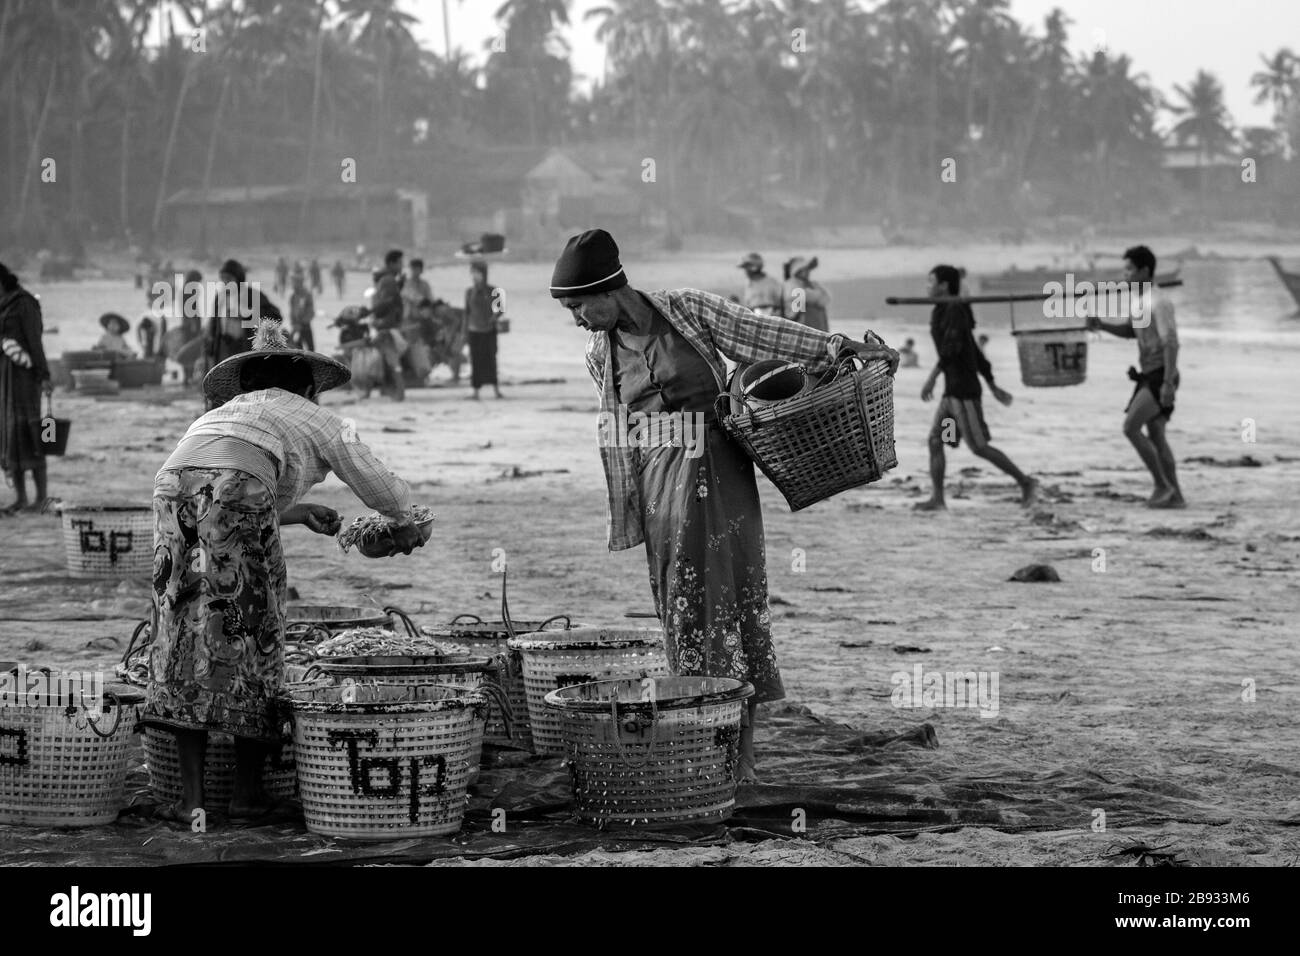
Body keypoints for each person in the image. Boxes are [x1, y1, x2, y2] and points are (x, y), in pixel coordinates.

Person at [551, 229, 898, 782]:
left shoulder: (687, 309)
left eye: (577, 306)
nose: (575, 319)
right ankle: (703, 742)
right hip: (661, 485)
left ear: (608, 288)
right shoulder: (600, 354)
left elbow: (766, 336)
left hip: (719, 470)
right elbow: (621, 431)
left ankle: (743, 759)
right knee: (683, 607)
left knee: (734, 604)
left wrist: (838, 348)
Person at [144, 318, 426, 824]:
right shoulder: (314, 417)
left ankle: (191, 799)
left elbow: (210, 491)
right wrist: (408, 521)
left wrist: (294, 513)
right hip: (236, 492)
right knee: (253, 632)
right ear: (306, 388)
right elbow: (372, 479)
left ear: (248, 386)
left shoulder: (220, 414)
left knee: (183, 630)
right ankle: (246, 796)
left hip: (171, 491)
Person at [918, 264, 1037, 511]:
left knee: (979, 446)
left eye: (931, 282)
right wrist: (992, 383)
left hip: (964, 394)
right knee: (937, 439)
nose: (927, 286)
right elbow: (974, 351)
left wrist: (931, 378)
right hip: (951, 394)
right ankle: (938, 498)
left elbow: (953, 350)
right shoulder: (943, 310)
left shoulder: (955, 312)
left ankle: (1026, 482)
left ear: (943, 286)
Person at [1087, 245, 1184, 508]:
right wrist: (1102, 325)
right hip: (1150, 373)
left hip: (1161, 374)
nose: (1125, 275)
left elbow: (1171, 343)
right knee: (1156, 434)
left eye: (1129, 269)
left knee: (1131, 427)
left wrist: (1167, 383)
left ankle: (1162, 485)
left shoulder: (1158, 302)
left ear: (1144, 271)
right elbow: (1133, 332)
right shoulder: (1139, 301)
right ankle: (1175, 496)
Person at [0, 262, 52, 515]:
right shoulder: (5, 304)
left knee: (30, 434)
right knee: (9, 437)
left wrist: (44, 375)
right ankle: (20, 497)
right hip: (5, 381)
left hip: (25, 379)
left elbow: (34, 340)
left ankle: (41, 497)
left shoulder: (24, 304)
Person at [205, 259, 282, 409]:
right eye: (223, 279)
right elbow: (214, 324)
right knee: (221, 392)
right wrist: (210, 344)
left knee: (245, 391)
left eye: (229, 279)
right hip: (223, 351)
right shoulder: (220, 297)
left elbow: (275, 316)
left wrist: (251, 316)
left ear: (238, 279)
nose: (226, 283)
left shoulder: (252, 296)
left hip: (245, 350)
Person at [370, 249, 407, 401]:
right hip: (387, 325)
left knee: (388, 358)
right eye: (400, 263)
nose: (402, 266)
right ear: (392, 263)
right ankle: (399, 393)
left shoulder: (387, 279)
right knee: (393, 359)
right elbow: (386, 303)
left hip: (383, 324)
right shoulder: (389, 280)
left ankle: (388, 390)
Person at [464, 260, 503, 400]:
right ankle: (475, 391)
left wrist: (495, 316)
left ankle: (496, 390)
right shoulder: (469, 292)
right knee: (476, 361)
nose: (474, 276)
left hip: (489, 331)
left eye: (477, 273)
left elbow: (500, 309)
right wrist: (464, 334)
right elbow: (467, 313)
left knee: (491, 359)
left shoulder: (494, 290)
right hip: (474, 330)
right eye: (473, 273)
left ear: (484, 274)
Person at [782, 256, 830, 332]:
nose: (808, 271)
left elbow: (825, 299)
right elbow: (799, 298)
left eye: (808, 269)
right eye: (805, 269)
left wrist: (810, 295)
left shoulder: (813, 284)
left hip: (819, 331)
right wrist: (813, 295)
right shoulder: (790, 284)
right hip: (802, 333)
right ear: (797, 271)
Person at [737, 252, 785, 317]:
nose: (745, 271)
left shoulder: (771, 283)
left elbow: (779, 305)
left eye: (747, 268)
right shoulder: (749, 283)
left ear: (754, 268)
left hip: (771, 320)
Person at [288, 272, 315, 351]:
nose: (293, 284)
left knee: (310, 349)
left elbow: (311, 311)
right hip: (296, 326)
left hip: (305, 326)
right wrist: (294, 323)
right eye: (293, 282)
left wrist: (303, 322)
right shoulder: (293, 296)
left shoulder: (306, 295)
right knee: (296, 347)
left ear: (300, 283)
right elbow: (292, 311)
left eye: (295, 282)